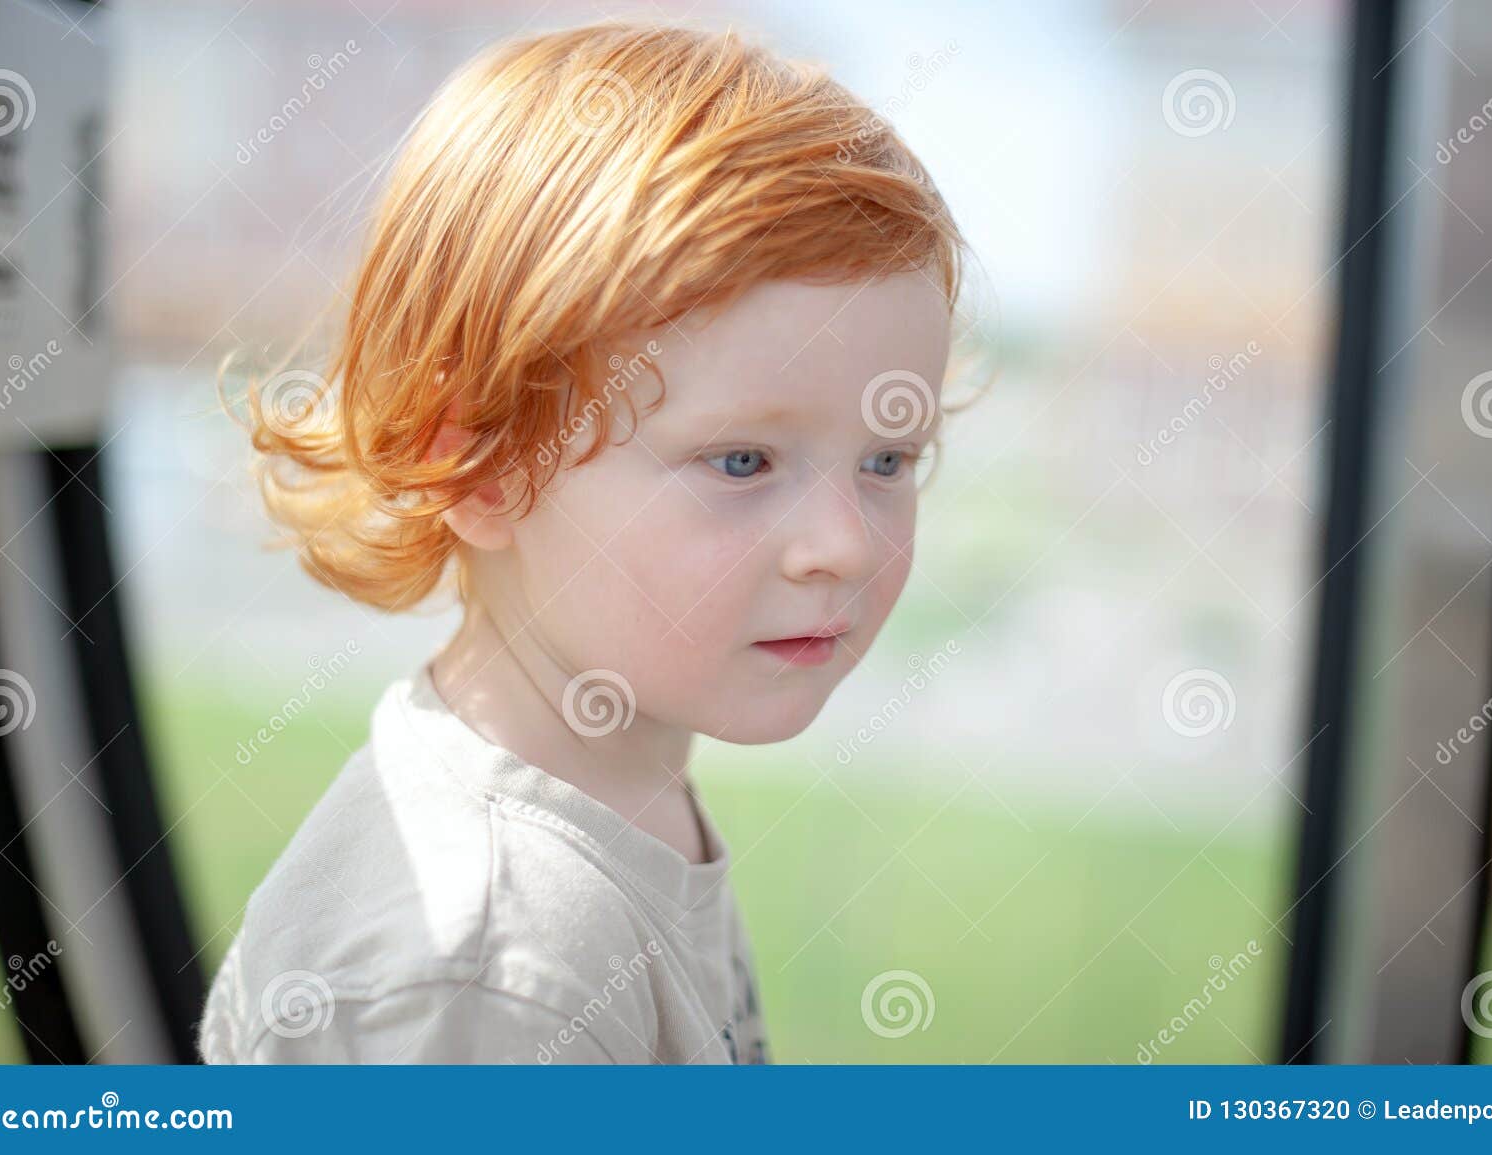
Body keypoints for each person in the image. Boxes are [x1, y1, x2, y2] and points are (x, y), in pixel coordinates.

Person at [198, 17, 973, 1064]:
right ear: (479, 467)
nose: (841, 543)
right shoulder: (490, 972)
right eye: (741, 462)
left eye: (888, 460)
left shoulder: (617, 800)